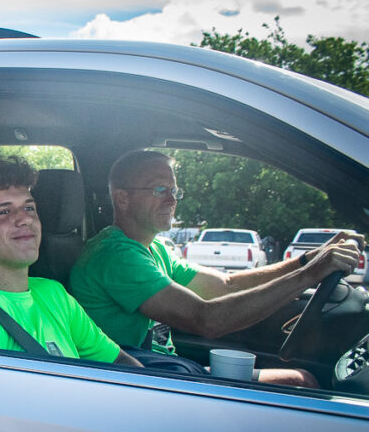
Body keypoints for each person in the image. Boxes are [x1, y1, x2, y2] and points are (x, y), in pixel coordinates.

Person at [70, 150, 364, 385]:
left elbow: (226, 285)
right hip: (134, 380)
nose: (172, 199)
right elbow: (207, 319)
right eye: (159, 189)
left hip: (161, 370)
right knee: (303, 381)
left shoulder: (155, 248)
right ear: (122, 198)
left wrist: (306, 261)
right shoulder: (116, 255)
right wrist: (310, 275)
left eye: (174, 190)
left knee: (299, 379)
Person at [0, 156, 141, 367]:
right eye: (3, 211)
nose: (25, 219)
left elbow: (119, 360)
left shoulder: (54, 294)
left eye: (29, 208)